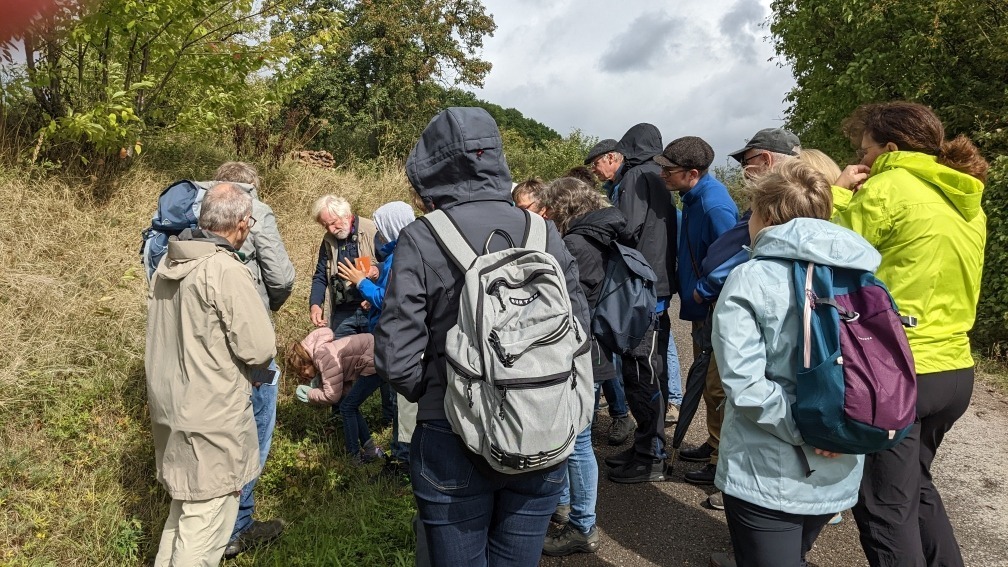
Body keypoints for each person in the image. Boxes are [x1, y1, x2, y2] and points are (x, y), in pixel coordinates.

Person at [374, 106, 591, 566]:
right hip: (540, 424)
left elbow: (396, 356)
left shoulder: (421, 237)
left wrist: (437, 392)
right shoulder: (542, 229)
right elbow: (580, 328)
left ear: (430, 164)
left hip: (451, 433)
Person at [833, 101, 988, 567]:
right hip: (955, 370)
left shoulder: (889, 187)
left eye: (864, 150)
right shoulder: (967, 201)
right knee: (916, 487)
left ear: (891, 148)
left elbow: (829, 252)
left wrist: (839, 193)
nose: (860, 161)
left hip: (900, 373)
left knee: (883, 508)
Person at [712, 160, 867, 567]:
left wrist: (808, 429)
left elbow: (745, 384)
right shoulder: (862, 275)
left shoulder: (750, 277)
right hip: (841, 458)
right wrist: (836, 431)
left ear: (763, 215)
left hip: (768, 466)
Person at [145, 183, 277, 567]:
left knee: (184, 512)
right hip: (212, 417)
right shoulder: (223, 269)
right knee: (207, 526)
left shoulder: (170, 264)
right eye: (248, 222)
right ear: (239, 224)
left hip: (173, 408)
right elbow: (259, 347)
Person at [697, 128, 801, 510]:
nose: (744, 167)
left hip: (757, 314)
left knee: (739, 391)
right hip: (742, 305)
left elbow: (741, 250)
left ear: (769, 159)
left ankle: (743, 490)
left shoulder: (780, 206)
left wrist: (708, 285)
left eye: (749, 159)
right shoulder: (768, 201)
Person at [208, 162, 295, 559]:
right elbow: (279, 276)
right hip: (248, 342)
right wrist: (266, 310)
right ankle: (237, 526)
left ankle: (206, 518)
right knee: (255, 426)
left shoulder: (200, 206)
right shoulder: (256, 209)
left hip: (203, 342)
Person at [536, 177, 624, 556]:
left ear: (564, 208)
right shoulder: (603, 233)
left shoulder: (575, 243)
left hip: (582, 351)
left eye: (551, 209)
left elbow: (566, 303)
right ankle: (566, 506)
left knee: (578, 439)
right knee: (577, 436)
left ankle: (582, 525)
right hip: (599, 346)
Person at [655, 136, 738, 486]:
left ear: (692, 173)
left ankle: (721, 460)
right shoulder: (691, 198)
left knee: (717, 384)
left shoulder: (714, 204)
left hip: (714, 306)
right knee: (706, 381)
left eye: (668, 170)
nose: (662, 175)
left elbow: (735, 254)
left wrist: (703, 290)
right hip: (702, 305)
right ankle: (713, 443)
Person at [601, 123, 676, 484]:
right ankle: (646, 446)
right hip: (658, 282)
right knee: (649, 366)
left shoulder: (634, 177)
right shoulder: (659, 176)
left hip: (640, 285)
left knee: (640, 369)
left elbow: (626, 228)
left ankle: (651, 457)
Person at [336, 200, 417, 478]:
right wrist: (376, 277)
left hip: (396, 341)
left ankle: (401, 458)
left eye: (381, 227)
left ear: (392, 227)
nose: (378, 234)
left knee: (399, 403)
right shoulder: (397, 255)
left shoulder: (402, 257)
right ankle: (401, 453)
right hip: (389, 336)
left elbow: (390, 299)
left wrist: (362, 283)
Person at [308, 195, 395, 428]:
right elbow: (319, 276)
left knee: (382, 362)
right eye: (325, 225)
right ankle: (341, 416)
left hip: (372, 308)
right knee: (336, 361)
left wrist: (375, 274)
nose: (330, 228)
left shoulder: (372, 229)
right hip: (343, 311)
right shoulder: (328, 241)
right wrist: (315, 304)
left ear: (347, 215)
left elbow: (392, 264)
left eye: (333, 222)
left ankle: (390, 418)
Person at [583, 137, 636, 446]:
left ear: (613, 158)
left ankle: (618, 417)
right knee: (604, 354)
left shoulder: (626, 187)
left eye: (597, 162)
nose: (596, 168)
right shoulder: (613, 189)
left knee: (603, 353)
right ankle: (618, 415)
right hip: (607, 282)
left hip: (610, 284)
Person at [289, 328, 374, 405]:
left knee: (348, 407)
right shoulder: (320, 354)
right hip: (374, 349)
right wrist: (321, 386)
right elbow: (345, 390)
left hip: (372, 356)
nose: (304, 374)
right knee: (348, 405)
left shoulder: (322, 357)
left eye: (302, 370)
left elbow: (332, 396)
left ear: (306, 362)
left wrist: (309, 394)